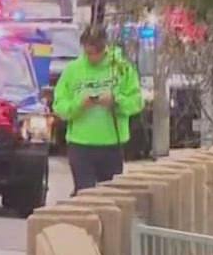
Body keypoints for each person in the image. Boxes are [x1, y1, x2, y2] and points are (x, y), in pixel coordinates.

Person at [52, 25, 144, 192]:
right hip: (80, 144)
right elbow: (59, 106)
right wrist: (78, 104)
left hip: (111, 143)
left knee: (109, 194)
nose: (93, 57)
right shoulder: (72, 70)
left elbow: (136, 102)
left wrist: (116, 101)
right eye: (89, 53)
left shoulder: (122, 68)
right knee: (84, 192)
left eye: (98, 52)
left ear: (105, 46)